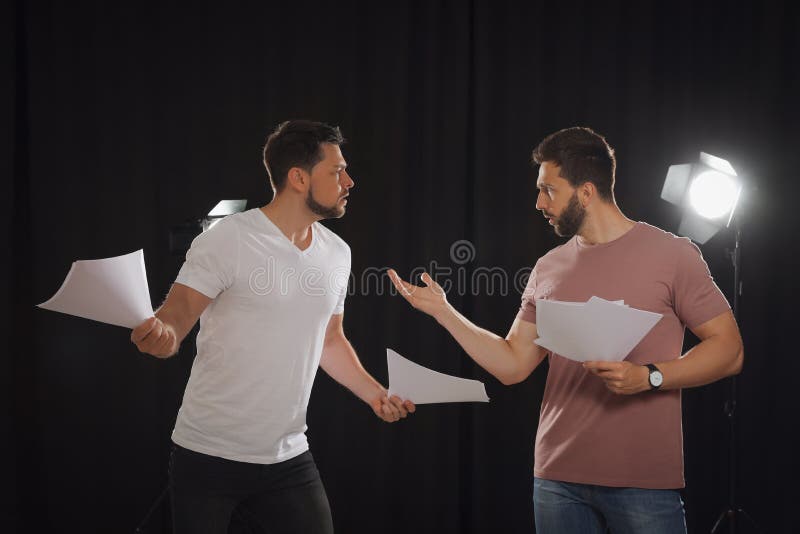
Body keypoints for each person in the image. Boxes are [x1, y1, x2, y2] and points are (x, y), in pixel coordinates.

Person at [388, 126, 743, 533]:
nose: (539, 202)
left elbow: (729, 350)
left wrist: (650, 376)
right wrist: (444, 311)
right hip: (557, 480)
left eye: (548, 190)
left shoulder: (674, 255)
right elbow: (513, 365)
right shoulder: (548, 267)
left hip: (644, 483)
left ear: (586, 192)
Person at [131, 120, 415, 534]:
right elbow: (174, 321)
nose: (349, 181)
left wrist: (375, 394)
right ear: (298, 178)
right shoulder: (228, 238)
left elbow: (330, 340)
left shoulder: (337, 253)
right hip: (208, 455)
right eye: (336, 171)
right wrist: (160, 338)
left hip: (287, 456)